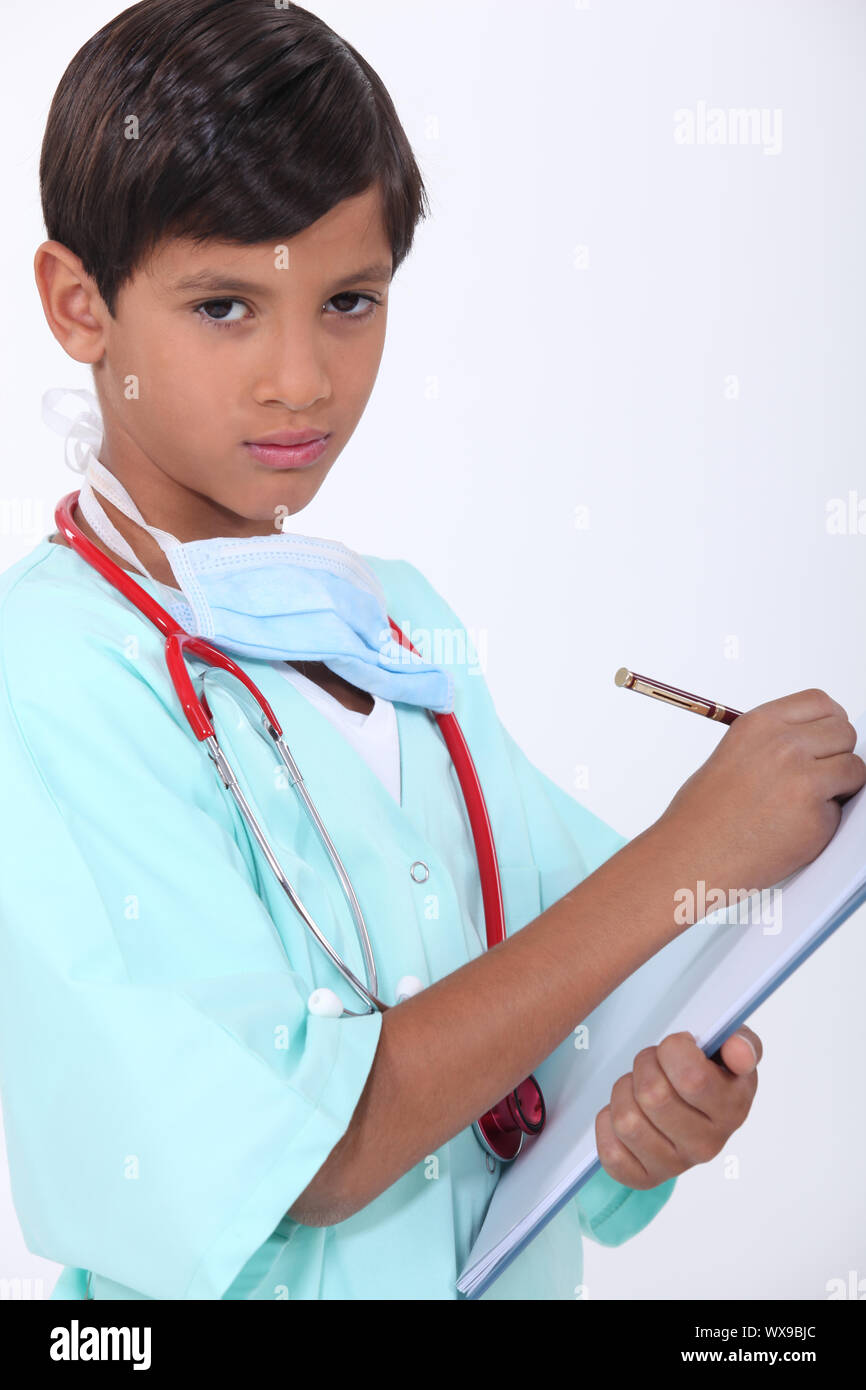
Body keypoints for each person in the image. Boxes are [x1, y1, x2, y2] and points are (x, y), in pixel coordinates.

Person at [0, 0, 862, 1302]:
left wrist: (652, 1107)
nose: (302, 377)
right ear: (80, 305)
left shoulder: (391, 619)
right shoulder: (53, 671)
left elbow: (585, 997)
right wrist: (695, 848)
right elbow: (304, 1150)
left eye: (348, 300)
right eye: (226, 304)